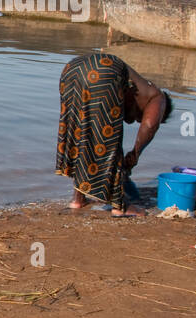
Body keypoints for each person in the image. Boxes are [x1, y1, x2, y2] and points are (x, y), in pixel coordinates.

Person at [57, 52, 173, 216]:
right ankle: (120, 206)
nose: (137, 121)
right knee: (109, 139)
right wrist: (135, 154)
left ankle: (78, 199)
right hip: (103, 73)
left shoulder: (139, 88)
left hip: (72, 69)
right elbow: (150, 125)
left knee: (82, 134)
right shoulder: (158, 97)